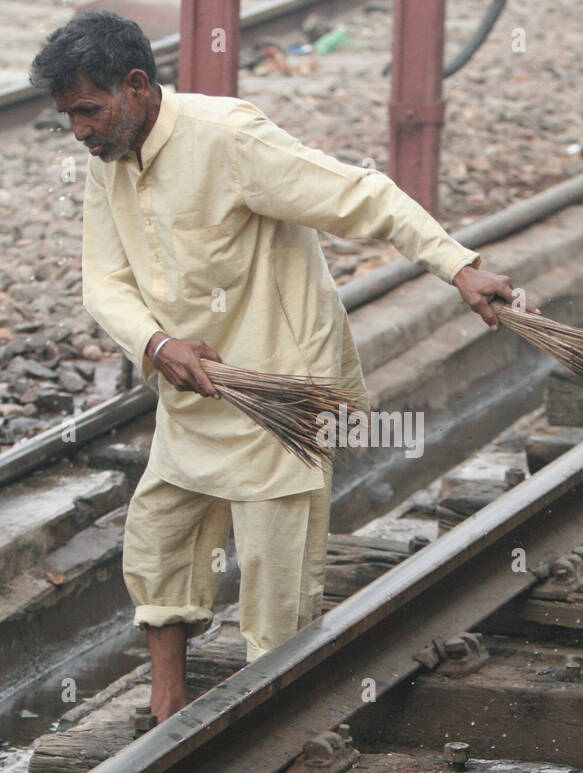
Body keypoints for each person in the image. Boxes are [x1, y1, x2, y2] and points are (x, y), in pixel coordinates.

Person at [30, 9, 526, 723]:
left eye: (87, 110)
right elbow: (103, 281)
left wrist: (460, 267)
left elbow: (361, 195)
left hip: (279, 390)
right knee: (160, 536)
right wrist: (159, 346)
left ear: (136, 86)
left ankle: (273, 723)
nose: (79, 130)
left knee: (274, 575)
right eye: (68, 117)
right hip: (194, 385)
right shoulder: (109, 158)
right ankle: (168, 701)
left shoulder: (228, 139)